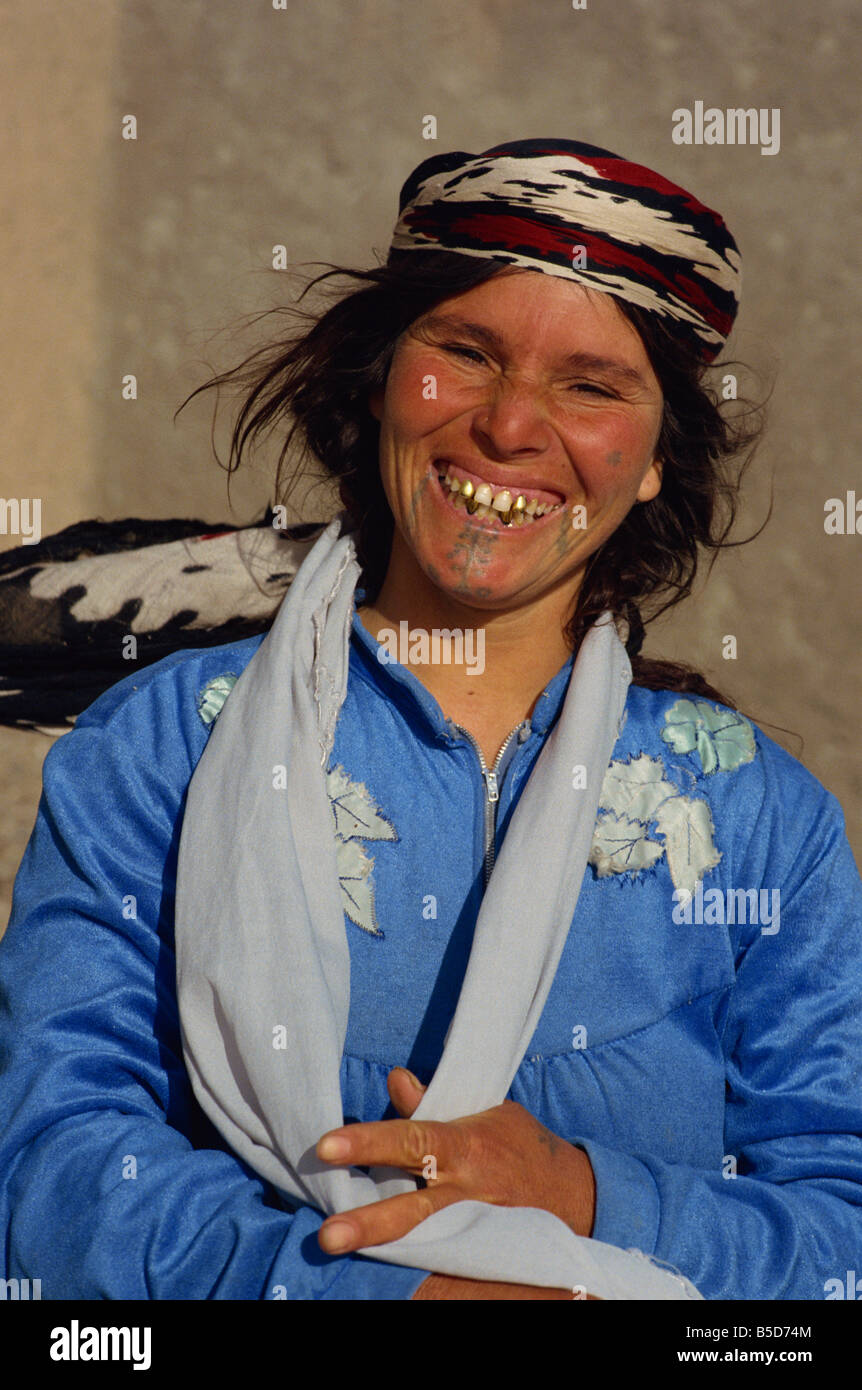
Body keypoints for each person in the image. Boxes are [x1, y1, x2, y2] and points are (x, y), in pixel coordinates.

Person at [1, 139, 860, 1302]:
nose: (511, 427)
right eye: (465, 353)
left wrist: (582, 1191)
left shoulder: (760, 823)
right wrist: (387, 1293)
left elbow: (838, 1234)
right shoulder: (166, 750)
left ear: (654, 459)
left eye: (591, 384)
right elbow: (52, 1170)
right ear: (376, 379)